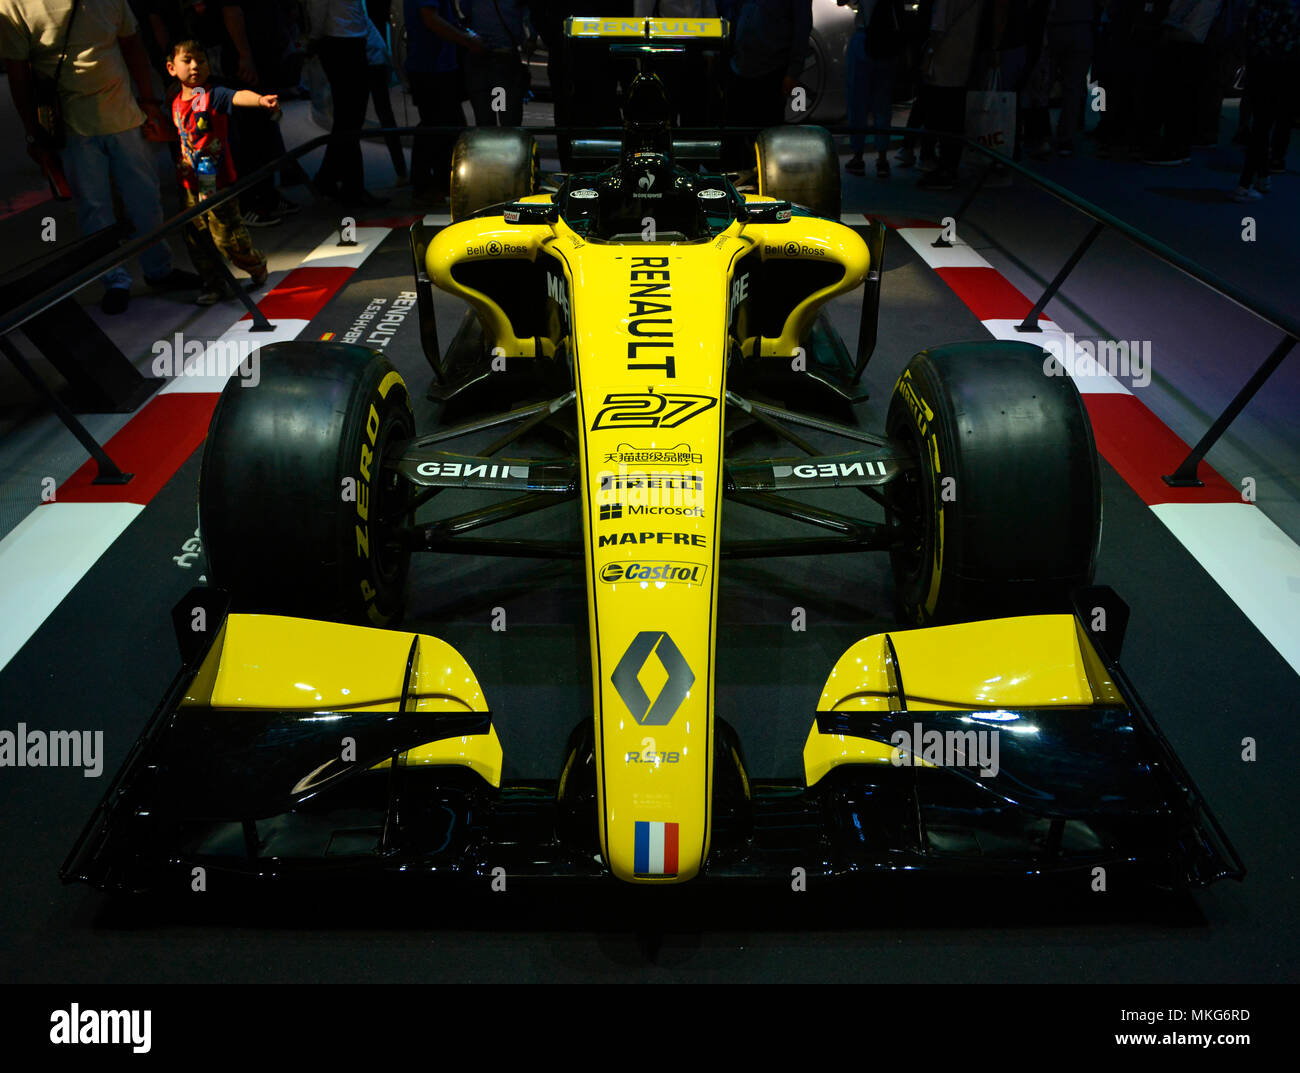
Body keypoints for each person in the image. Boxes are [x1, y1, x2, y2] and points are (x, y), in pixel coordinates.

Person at [0, 0, 199, 314]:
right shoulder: (14, 4)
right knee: (97, 207)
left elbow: (131, 45)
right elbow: (18, 73)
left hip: (120, 116)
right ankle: (117, 279)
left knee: (140, 199)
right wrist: (34, 132)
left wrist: (147, 101)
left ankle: (154, 270)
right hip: (72, 125)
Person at [166, 40, 274, 303]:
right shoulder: (174, 100)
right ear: (171, 67)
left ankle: (254, 263)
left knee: (228, 238)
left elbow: (237, 96)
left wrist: (259, 100)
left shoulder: (212, 94)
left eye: (201, 61)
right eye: (188, 60)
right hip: (190, 184)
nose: (195, 66)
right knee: (197, 240)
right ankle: (213, 283)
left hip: (219, 183)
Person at [404, 0, 482, 205]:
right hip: (430, 68)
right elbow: (431, 19)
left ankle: (437, 183)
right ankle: (425, 186)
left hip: (436, 66)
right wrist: (467, 40)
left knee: (444, 125)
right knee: (436, 125)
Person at [307, 0, 385, 204]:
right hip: (341, 42)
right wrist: (315, 38)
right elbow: (318, 8)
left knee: (349, 119)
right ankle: (346, 186)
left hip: (347, 41)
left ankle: (333, 180)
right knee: (350, 119)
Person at [724, 0, 814, 169]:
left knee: (767, 140)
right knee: (735, 139)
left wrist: (793, 71)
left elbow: (802, 27)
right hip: (741, 66)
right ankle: (736, 182)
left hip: (771, 68)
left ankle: (766, 185)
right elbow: (736, 14)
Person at [1232, 0, 1300, 198]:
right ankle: (1246, 183)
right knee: (1272, 123)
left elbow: (1249, 31)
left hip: (1261, 65)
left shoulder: (1259, 4)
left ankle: (1259, 176)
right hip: (1287, 69)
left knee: (1261, 123)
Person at [916, 0, 987, 189]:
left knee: (941, 118)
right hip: (963, 62)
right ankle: (949, 167)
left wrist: (927, 56)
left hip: (944, 63)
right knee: (954, 121)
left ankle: (944, 170)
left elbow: (938, 28)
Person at [846, 0, 905, 178]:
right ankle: (882, 158)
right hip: (887, 42)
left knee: (858, 103)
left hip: (863, 39)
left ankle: (858, 156)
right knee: (883, 106)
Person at [463, 0, 528, 126]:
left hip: (479, 57)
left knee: (484, 119)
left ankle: (488, 141)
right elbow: (528, 14)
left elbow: (466, 9)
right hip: (505, 59)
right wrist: (531, 38)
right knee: (507, 117)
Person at [364, 14, 408, 179]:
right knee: (385, 115)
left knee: (384, 115)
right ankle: (401, 169)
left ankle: (401, 170)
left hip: (372, 60)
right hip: (376, 59)